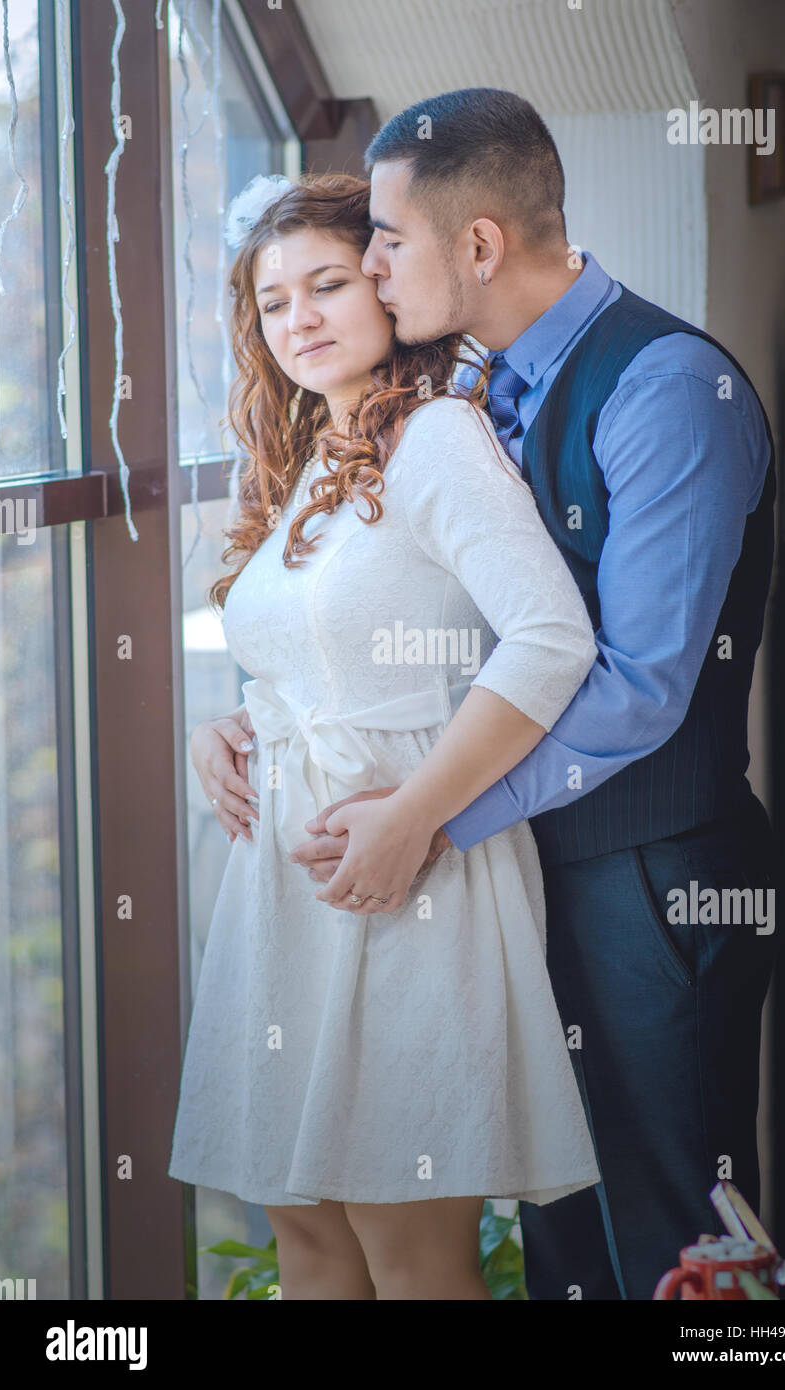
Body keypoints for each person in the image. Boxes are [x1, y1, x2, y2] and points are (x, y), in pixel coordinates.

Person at [199, 88, 781, 1301]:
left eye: (380, 251)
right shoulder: (485, 395)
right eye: (286, 291)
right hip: (511, 859)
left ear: (475, 246)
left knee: (678, 1240)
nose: (366, 273)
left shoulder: (665, 385)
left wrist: (427, 812)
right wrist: (269, 724)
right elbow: (420, 633)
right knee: (569, 1246)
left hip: (649, 873)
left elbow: (634, 680)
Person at [168, 170, 602, 1301]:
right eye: (273, 302)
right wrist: (229, 730)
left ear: (384, 282)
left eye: (326, 284)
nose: (299, 318)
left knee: (410, 1256)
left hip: (414, 878)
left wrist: (416, 817)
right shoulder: (310, 458)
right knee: (307, 1238)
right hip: (287, 890)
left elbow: (550, 640)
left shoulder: (440, 438)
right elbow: (328, 651)